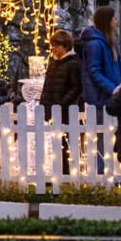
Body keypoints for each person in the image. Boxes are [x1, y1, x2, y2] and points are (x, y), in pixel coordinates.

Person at [39, 29, 83, 174]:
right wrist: (44, 106)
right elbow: (46, 88)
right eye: (53, 45)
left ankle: (65, 173)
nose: (54, 48)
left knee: (65, 145)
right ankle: (55, 172)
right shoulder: (52, 65)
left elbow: (76, 88)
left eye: (57, 45)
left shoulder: (73, 64)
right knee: (53, 144)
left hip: (65, 112)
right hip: (51, 110)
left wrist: (61, 103)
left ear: (66, 46)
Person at [76, 6, 121, 112]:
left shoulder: (112, 42)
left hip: (114, 98)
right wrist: (112, 88)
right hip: (100, 101)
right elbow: (94, 72)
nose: (116, 21)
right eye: (114, 18)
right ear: (107, 21)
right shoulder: (94, 44)